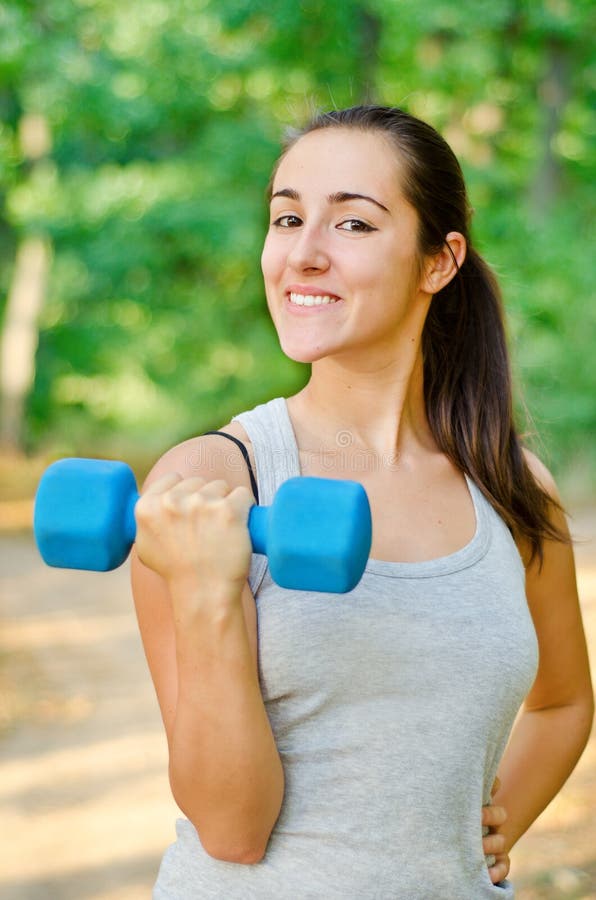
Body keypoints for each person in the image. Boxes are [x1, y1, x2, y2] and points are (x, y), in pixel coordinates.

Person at [130, 105, 593, 899]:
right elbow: (232, 830)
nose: (302, 255)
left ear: (438, 262)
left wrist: (489, 831)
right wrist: (207, 592)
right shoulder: (213, 484)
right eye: (286, 218)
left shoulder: (512, 489)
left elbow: (563, 700)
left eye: (351, 224)